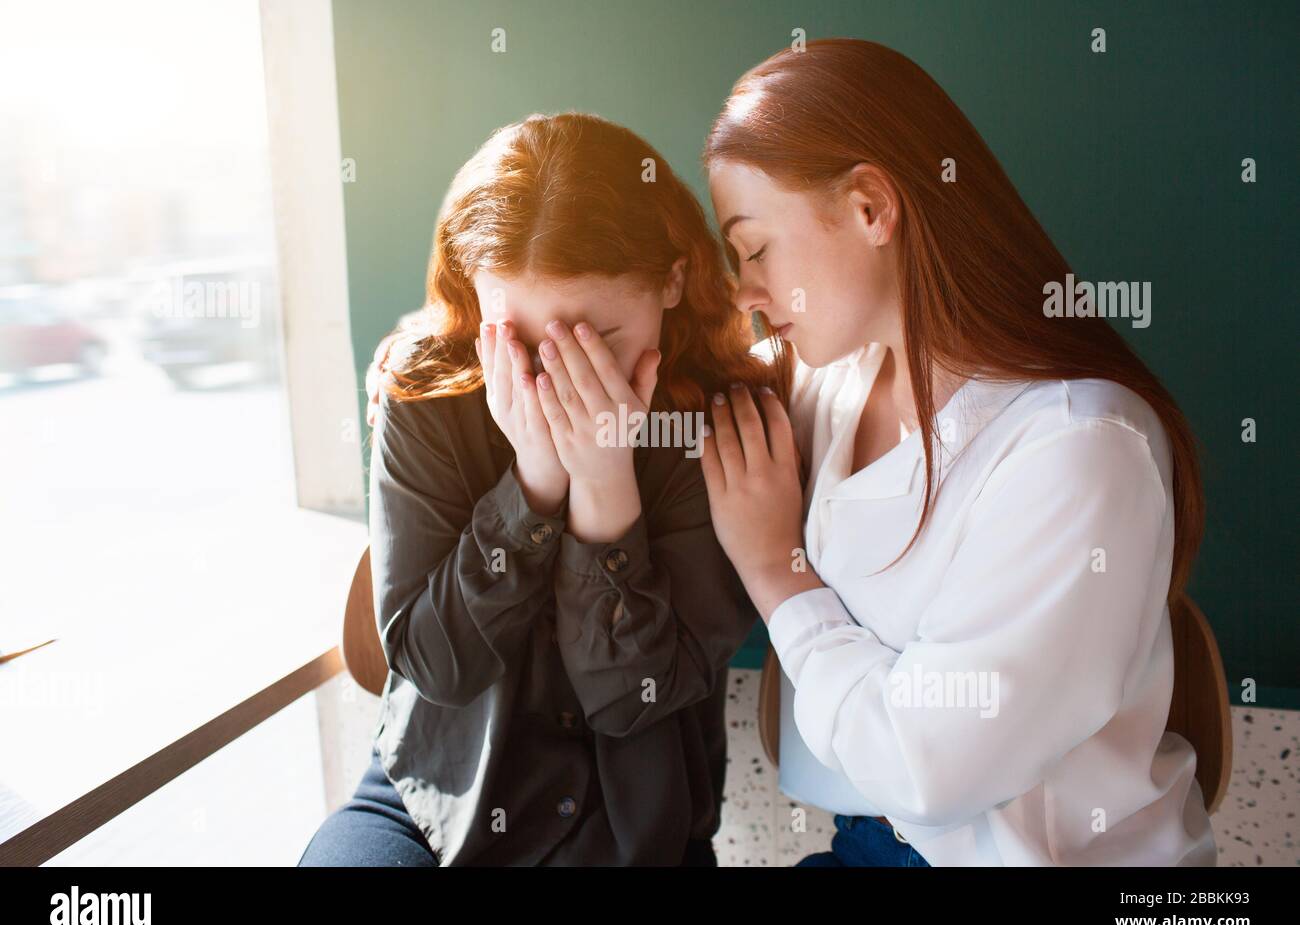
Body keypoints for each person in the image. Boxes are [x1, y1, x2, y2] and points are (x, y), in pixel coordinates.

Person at [697, 39, 1216, 866]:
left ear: (871, 207)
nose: (748, 294)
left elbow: (927, 767)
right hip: (862, 848)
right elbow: (672, 391)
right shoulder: (828, 381)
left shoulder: (1079, 445)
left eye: (756, 248)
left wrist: (775, 571)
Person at [299, 112, 772, 866]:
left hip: (633, 826)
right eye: (519, 342)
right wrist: (536, 484)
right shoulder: (425, 391)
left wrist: (604, 486)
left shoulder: (718, 422)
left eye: (595, 342)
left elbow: (635, 699)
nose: (553, 386)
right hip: (435, 802)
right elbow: (437, 665)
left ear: (673, 280)